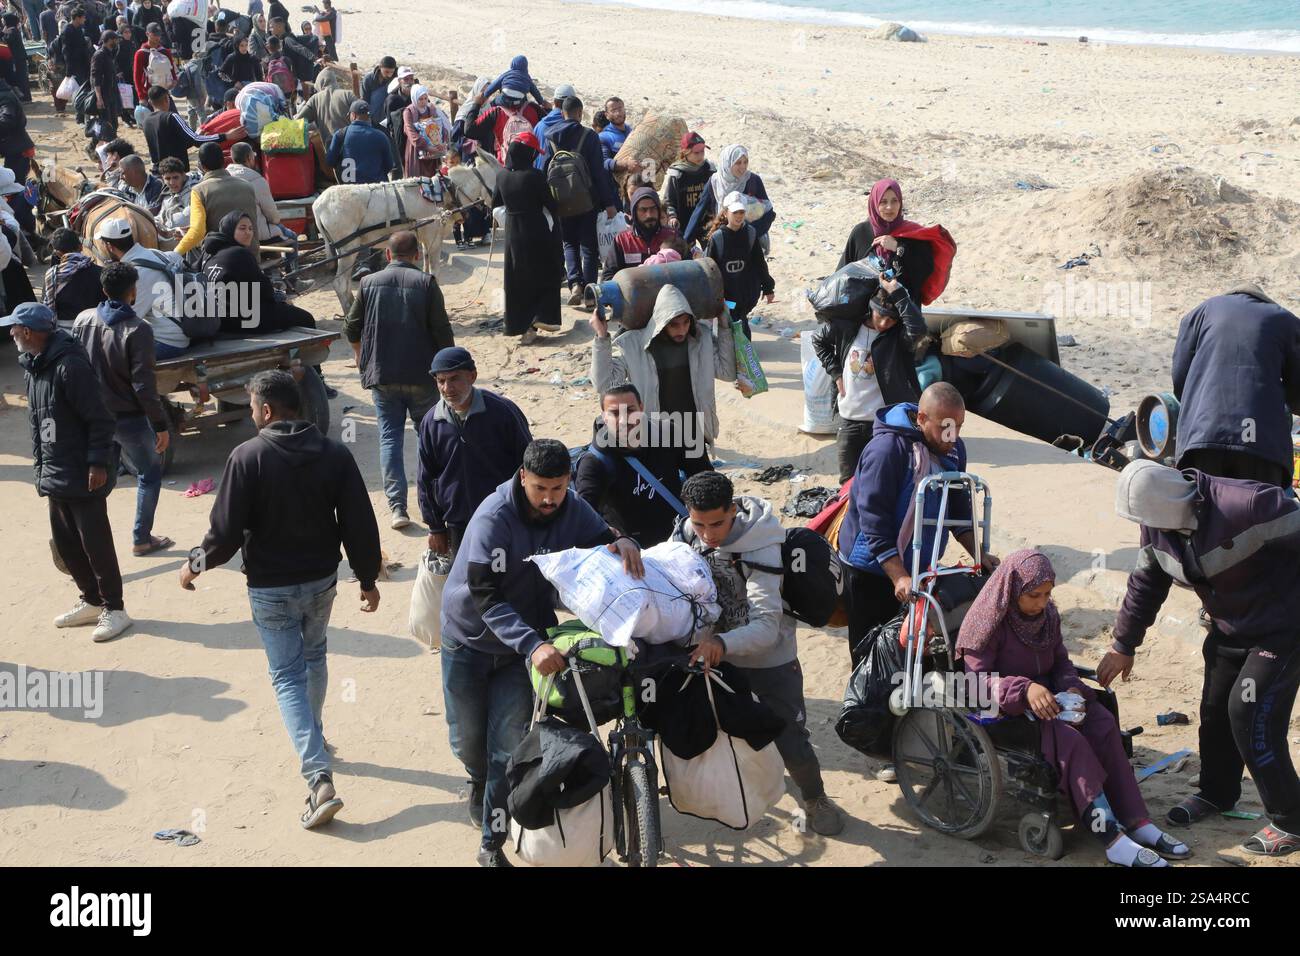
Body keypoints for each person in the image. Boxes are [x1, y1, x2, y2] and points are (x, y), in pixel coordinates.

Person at [181, 369, 381, 829]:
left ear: (267, 411)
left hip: (270, 588)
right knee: (314, 656)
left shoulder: (246, 456)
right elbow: (359, 522)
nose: (251, 415)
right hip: (321, 581)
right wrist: (367, 578)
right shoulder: (333, 453)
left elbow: (223, 531)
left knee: (287, 676)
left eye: (252, 408)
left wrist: (194, 563)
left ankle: (318, 779)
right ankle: (315, 736)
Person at [439, 437, 643, 866]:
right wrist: (533, 644)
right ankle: (477, 779)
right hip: (469, 640)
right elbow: (486, 596)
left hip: (525, 651)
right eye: (540, 490)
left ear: (568, 482)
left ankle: (491, 844)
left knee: (507, 746)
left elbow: (598, 539)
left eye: (558, 489)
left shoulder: (571, 506)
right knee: (467, 742)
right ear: (523, 478)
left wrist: (621, 541)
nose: (550, 500)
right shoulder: (493, 519)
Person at [1099, 460, 1300, 856]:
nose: (1145, 528)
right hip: (1227, 627)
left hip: (1282, 628)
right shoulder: (1157, 523)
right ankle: (1217, 793)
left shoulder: (1250, 505)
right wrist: (1124, 644)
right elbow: (1146, 581)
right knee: (1214, 711)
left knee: (1249, 709)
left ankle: (1291, 819)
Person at [959, 549, 1189, 867]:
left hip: (1052, 701)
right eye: (1033, 595)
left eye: (1047, 594)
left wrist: (1068, 685)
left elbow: (1061, 661)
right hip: (1006, 712)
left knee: (1103, 722)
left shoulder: (1047, 617)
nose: (1041, 602)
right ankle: (1111, 838)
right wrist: (1025, 689)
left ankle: (1138, 822)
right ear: (1013, 590)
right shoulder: (987, 624)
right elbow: (978, 682)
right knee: (1071, 741)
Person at [673, 471, 845, 835]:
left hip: (770, 663)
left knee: (790, 741)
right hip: (710, 659)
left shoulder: (762, 545)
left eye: (717, 523)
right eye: (699, 524)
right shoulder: (685, 534)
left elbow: (767, 628)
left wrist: (721, 643)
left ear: (733, 509)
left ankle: (815, 799)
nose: (707, 534)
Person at [840, 383, 998, 668]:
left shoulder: (953, 450)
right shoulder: (887, 450)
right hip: (872, 568)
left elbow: (959, 509)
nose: (953, 437)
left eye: (959, 427)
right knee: (870, 657)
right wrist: (898, 575)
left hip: (918, 571)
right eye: (945, 427)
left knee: (912, 650)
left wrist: (979, 552)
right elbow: (873, 519)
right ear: (922, 419)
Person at [4, 301, 132, 643]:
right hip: (55, 472)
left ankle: (115, 608)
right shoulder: (35, 366)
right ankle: (91, 599)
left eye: (15, 328)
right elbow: (38, 424)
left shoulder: (69, 366)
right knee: (67, 545)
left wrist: (96, 463)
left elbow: (101, 419)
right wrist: (41, 468)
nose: (11, 333)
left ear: (29, 332)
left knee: (96, 545)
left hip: (81, 472)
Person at [343, 230, 454, 529]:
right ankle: (432, 504)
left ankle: (397, 509)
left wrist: (359, 355)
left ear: (388, 255)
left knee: (390, 438)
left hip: (382, 375)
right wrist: (447, 374)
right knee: (428, 437)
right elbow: (443, 334)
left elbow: (351, 328)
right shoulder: (427, 283)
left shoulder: (367, 283)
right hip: (422, 375)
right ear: (417, 255)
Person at [72, 260, 175, 557]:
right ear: (133, 291)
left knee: (102, 480)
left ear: (103, 290)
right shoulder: (138, 328)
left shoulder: (84, 321)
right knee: (150, 474)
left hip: (95, 418)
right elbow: (144, 385)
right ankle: (142, 538)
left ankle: (88, 541)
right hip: (129, 419)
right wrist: (160, 425)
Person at [591, 283, 740, 476]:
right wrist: (602, 337)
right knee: (665, 485)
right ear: (661, 322)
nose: (682, 330)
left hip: (692, 430)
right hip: (655, 433)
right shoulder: (633, 345)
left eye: (686, 322)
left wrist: (724, 326)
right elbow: (604, 384)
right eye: (674, 324)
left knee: (703, 484)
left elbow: (727, 372)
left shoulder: (700, 339)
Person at [1170, 286, 1300, 488]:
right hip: (1260, 446)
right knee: (1258, 516)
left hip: (1201, 440)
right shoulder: (1285, 321)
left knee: (1200, 512)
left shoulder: (1202, 312)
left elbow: (1180, 380)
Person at [416, 346, 532, 560]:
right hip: (457, 524)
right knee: (468, 583)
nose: (447, 388)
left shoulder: (503, 412)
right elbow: (426, 478)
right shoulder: (431, 422)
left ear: (472, 376)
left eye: (454, 379)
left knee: (506, 577)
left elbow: (528, 465)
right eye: (441, 381)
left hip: (501, 516)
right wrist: (435, 527)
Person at [812, 276, 927, 483]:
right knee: (847, 482)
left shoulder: (897, 338)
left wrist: (897, 292)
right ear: (871, 308)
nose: (884, 323)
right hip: (848, 421)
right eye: (880, 315)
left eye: (891, 319)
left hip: (883, 425)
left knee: (880, 481)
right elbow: (818, 340)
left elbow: (919, 330)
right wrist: (835, 372)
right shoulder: (847, 328)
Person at [576, 383, 685, 549]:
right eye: (614, 413)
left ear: (641, 408)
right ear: (604, 417)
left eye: (630, 410)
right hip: (631, 551)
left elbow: (704, 476)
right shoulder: (595, 461)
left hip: (680, 539)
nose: (624, 420)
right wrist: (614, 539)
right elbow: (584, 517)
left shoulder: (670, 433)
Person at [491, 130, 563, 343]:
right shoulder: (535, 176)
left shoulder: (501, 176)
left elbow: (495, 205)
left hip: (513, 232)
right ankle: (542, 317)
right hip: (537, 230)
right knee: (545, 272)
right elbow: (551, 204)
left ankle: (522, 327)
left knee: (517, 279)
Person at [544, 95, 616, 306]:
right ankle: (590, 292)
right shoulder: (589, 135)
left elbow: (544, 168)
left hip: (561, 200)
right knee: (588, 245)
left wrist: (548, 203)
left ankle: (575, 283)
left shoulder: (550, 137)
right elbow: (598, 172)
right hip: (587, 199)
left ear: (562, 112)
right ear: (580, 112)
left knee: (569, 242)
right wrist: (609, 202)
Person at [197, 210, 315, 335]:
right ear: (230, 229)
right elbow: (265, 291)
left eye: (250, 228)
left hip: (216, 318)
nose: (248, 233)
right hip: (242, 319)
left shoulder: (207, 253)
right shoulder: (239, 253)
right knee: (306, 318)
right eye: (242, 228)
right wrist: (280, 297)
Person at [93, 216, 189, 357]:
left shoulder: (137, 273)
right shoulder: (154, 253)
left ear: (109, 246)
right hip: (179, 332)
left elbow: (127, 318)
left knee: (105, 354)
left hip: (169, 342)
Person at [838, 178, 937, 308]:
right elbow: (843, 274)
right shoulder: (861, 233)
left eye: (894, 201)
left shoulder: (913, 233)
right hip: (865, 314)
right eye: (883, 202)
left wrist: (899, 248)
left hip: (904, 313)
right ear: (874, 203)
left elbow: (926, 269)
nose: (889, 207)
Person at [705, 191, 774, 340]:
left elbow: (759, 262)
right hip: (727, 296)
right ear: (726, 213)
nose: (739, 215)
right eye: (735, 212)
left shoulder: (750, 234)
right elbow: (709, 269)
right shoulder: (718, 238)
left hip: (747, 294)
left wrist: (768, 287)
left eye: (742, 211)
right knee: (735, 322)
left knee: (740, 320)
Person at [175, 140, 259, 257]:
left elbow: (198, 232)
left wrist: (175, 253)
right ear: (224, 162)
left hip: (220, 261)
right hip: (251, 257)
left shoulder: (199, 191)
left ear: (201, 166)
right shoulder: (247, 186)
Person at [684, 144, 773, 250]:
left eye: (745, 162)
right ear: (727, 163)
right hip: (723, 237)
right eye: (738, 163)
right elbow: (699, 210)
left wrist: (750, 233)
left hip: (748, 241)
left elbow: (769, 212)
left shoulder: (752, 180)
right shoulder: (715, 182)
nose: (743, 167)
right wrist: (685, 240)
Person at [141, 84, 222, 171]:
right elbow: (196, 140)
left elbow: (172, 145)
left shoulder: (146, 121)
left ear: (150, 102)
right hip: (176, 172)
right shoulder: (172, 117)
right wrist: (224, 136)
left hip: (159, 170)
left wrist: (195, 136)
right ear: (166, 99)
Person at [601, 186, 677, 279]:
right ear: (634, 212)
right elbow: (608, 277)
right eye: (643, 210)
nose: (649, 215)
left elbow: (689, 270)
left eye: (653, 209)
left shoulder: (672, 237)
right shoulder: (621, 241)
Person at [461, 82, 543, 165]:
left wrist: (476, 104)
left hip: (504, 166)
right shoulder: (534, 109)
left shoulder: (496, 112)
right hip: (531, 165)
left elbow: (469, 130)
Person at [44, 227, 105, 328]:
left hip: (63, 331)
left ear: (58, 253)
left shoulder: (52, 275)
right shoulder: (100, 272)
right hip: (94, 327)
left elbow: (46, 305)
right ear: (81, 247)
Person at [324, 98, 395, 183]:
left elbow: (330, 161)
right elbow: (389, 166)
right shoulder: (381, 136)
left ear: (353, 115)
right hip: (376, 189)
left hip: (351, 189)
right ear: (369, 116)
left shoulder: (340, 135)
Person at [661, 131, 713, 234]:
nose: (700, 155)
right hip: (685, 224)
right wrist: (672, 217)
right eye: (696, 152)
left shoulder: (710, 170)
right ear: (685, 153)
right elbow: (669, 201)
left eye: (702, 151)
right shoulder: (677, 174)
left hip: (707, 223)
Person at [400, 84, 448, 178]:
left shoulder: (431, 108)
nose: (423, 101)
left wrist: (442, 142)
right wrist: (426, 147)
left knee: (434, 177)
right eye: (420, 99)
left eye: (425, 98)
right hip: (416, 149)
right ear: (414, 98)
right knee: (418, 177)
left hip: (434, 147)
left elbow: (440, 126)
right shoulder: (408, 112)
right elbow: (411, 132)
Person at [88, 28, 123, 141]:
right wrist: (99, 98)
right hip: (104, 95)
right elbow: (95, 78)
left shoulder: (109, 54)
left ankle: (112, 143)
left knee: (114, 122)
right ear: (108, 40)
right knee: (106, 123)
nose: (116, 42)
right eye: (115, 40)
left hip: (112, 93)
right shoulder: (99, 55)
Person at [530, 80, 571, 169]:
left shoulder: (539, 125)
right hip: (559, 177)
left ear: (554, 102)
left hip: (537, 174)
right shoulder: (570, 126)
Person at [0, 72, 33, 180]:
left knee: (16, 184)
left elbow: (7, 120)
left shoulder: (5, 97)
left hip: (18, 149)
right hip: (12, 146)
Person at [156, 155, 200, 234]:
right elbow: (161, 215)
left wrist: (163, 226)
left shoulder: (194, 191)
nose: (172, 182)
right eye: (168, 178)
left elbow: (185, 219)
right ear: (162, 178)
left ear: (183, 175)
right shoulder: (166, 192)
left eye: (175, 177)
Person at [131, 20, 173, 103]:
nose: (157, 37)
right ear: (147, 34)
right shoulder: (141, 53)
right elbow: (137, 76)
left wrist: (174, 80)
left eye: (159, 35)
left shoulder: (165, 52)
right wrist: (141, 96)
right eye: (154, 35)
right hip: (148, 95)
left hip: (164, 92)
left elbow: (171, 70)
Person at [597, 95, 633, 180]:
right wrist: (625, 164)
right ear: (607, 115)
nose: (618, 113)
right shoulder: (603, 137)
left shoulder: (632, 132)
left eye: (620, 109)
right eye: (613, 110)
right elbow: (604, 162)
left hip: (636, 182)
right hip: (615, 186)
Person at [57, 7, 91, 87]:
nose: (84, 19)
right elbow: (66, 51)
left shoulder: (79, 28)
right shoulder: (67, 30)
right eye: (83, 17)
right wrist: (69, 71)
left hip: (82, 63)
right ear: (77, 18)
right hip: (74, 66)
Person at [2, 13, 30, 101]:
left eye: (3, 19)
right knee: (22, 78)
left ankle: (25, 98)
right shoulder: (13, 30)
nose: (2, 21)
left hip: (18, 59)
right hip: (19, 58)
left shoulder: (12, 31)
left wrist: (2, 33)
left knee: (21, 78)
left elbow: (6, 41)